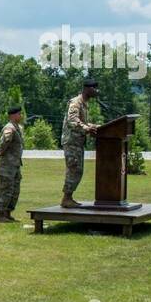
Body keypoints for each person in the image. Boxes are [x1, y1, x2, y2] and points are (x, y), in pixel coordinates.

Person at [61, 80, 100, 208]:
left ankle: (68, 197)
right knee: (74, 169)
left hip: (77, 142)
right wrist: (87, 128)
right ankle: (66, 199)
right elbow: (73, 121)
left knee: (77, 170)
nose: (96, 91)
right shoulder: (76, 103)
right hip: (72, 142)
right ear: (87, 88)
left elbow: (81, 122)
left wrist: (93, 126)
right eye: (94, 88)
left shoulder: (84, 104)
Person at [0, 107, 24, 223]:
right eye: (19, 114)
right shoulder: (9, 128)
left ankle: (7, 213)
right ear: (12, 115)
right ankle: (0, 215)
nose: (20, 116)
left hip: (15, 164)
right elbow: (5, 142)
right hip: (7, 165)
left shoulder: (18, 128)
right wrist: (1, 152)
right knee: (5, 189)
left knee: (14, 189)